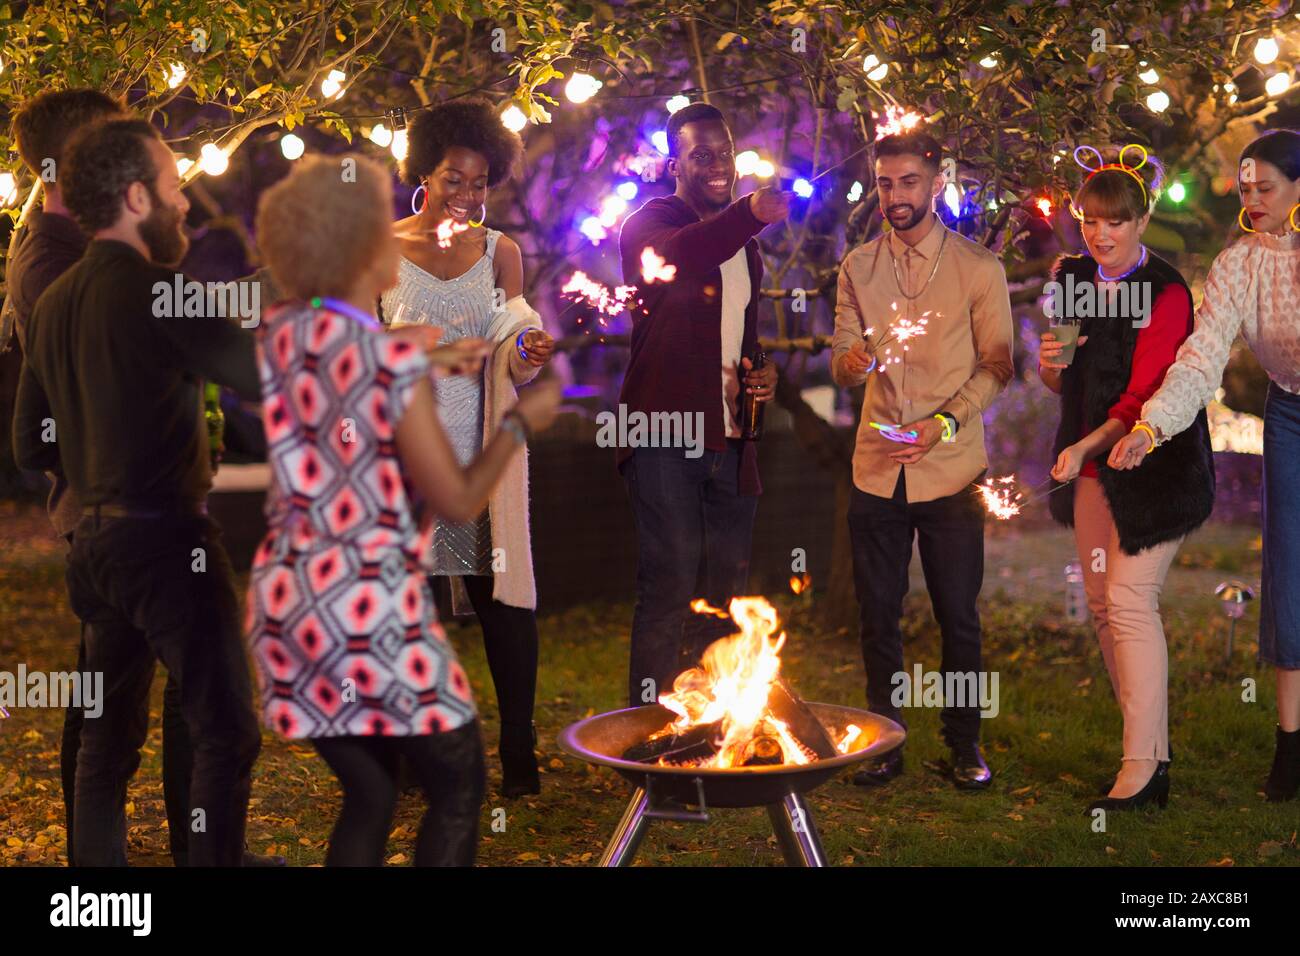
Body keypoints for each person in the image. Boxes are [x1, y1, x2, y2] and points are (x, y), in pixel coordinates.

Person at [249, 154, 560, 865]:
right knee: (456, 784)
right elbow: (453, 494)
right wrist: (520, 423)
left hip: (294, 602)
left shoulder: (295, 335)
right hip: (364, 593)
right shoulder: (382, 361)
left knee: (371, 795)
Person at [12, 117, 262, 866]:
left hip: (93, 548)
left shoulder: (54, 302)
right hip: (167, 542)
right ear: (134, 196)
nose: (184, 202)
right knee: (226, 728)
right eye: (173, 185)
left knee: (106, 741)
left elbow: (31, 442)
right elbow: (263, 375)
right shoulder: (162, 291)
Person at [1110, 129, 1300, 803]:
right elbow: (1201, 354)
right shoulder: (1241, 260)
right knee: (1287, 569)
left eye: (1266, 188)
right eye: (1244, 188)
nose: (1252, 199)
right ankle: (1290, 746)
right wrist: (1152, 424)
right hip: (1289, 414)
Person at [379, 98, 556, 798]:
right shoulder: (381, 249)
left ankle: (519, 753)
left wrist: (530, 348)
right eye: (454, 178)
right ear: (424, 170)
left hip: (483, 458)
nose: (467, 194)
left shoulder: (499, 251)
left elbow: (516, 336)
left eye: (480, 183)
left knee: (505, 609)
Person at [831, 129, 1013, 790]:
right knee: (878, 614)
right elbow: (844, 360)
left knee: (957, 617)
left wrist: (943, 422)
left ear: (937, 182)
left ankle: (964, 745)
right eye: (885, 183)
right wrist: (852, 362)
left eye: (909, 182)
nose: (896, 196)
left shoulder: (978, 269)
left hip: (952, 470)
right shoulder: (858, 267)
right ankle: (885, 742)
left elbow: (999, 367)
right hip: (877, 470)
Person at [1038, 149, 1214, 814]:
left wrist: (1088, 441)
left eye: (1116, 223)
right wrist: (1052, 363)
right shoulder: (1072, 277)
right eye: (1090, 223)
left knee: (1132, 601)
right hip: (1088, 467)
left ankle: (1139, 769)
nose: (1102, 236)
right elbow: (1056, 375)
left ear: (1142, 220)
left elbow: (1144, 395)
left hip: (1155, 464)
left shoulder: (1167, 293)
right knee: (1106, 609)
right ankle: (1151, 755)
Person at [616, 102, 785, 708]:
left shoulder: (746, 246)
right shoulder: (649, 225)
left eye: (726, 153)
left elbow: (743, 332)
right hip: (664, 435)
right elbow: (684, 255)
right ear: (674, 165)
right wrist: (749, 214)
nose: (718, 166)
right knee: (667, 587)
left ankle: (708, 729)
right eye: (701, 155)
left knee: (722, 595)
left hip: (731, 438)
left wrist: (762, 373)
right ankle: (645, 734)